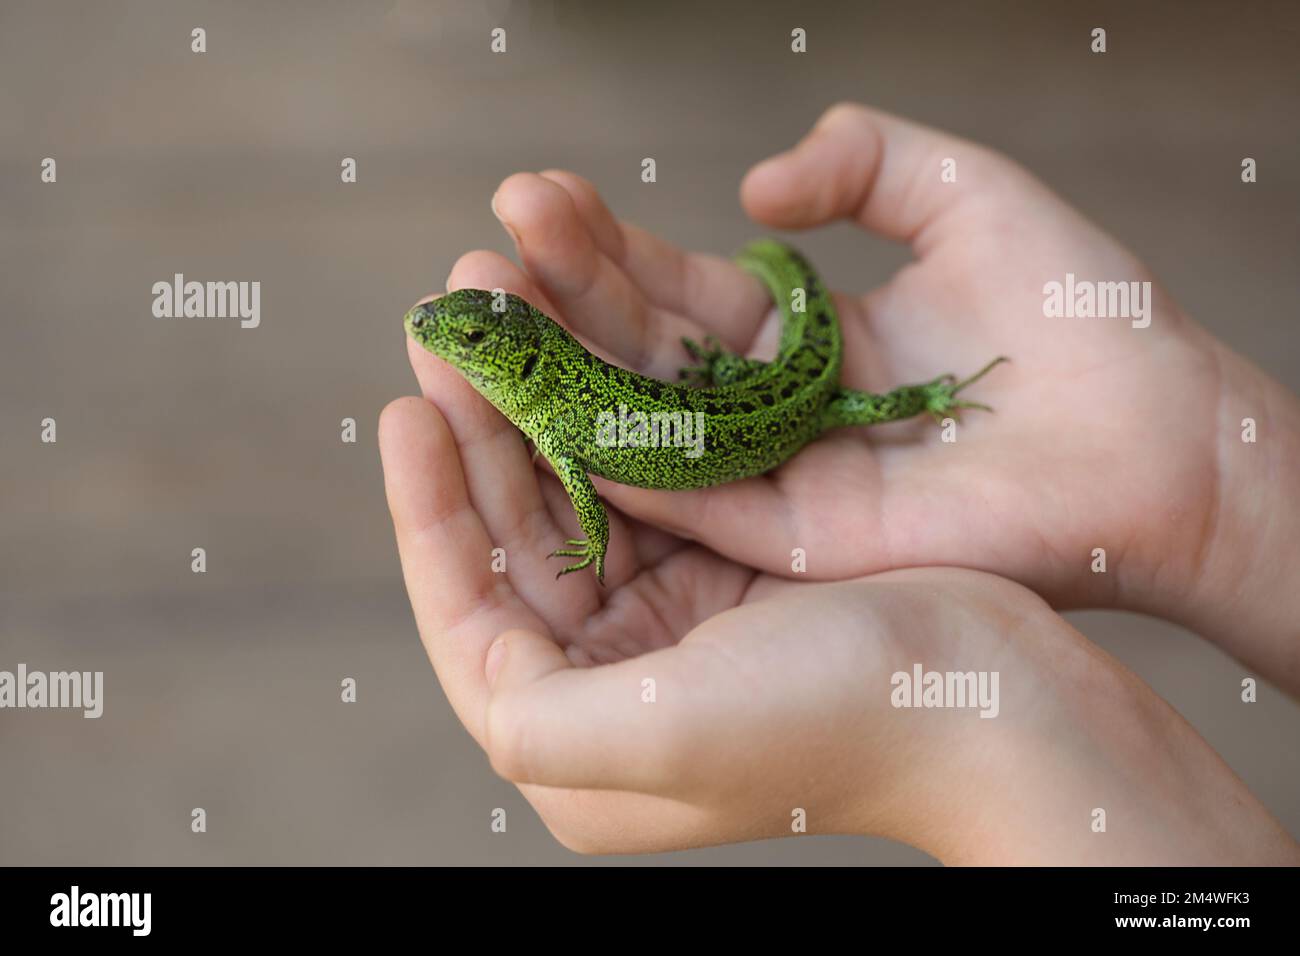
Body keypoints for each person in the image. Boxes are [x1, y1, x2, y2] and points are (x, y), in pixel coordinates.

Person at [378, 103, 1300, 862]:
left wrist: (590, 545)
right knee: (800, 392)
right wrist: (1222, 488)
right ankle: (846, 356)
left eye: (469, 341)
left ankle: (921, 390)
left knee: (845, 404)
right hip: (768, 401)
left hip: (796, 406)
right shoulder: (551, 397)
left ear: (521, 358)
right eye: (461, 339)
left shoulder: (552, 414)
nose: (449, 340)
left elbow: (585, 496)